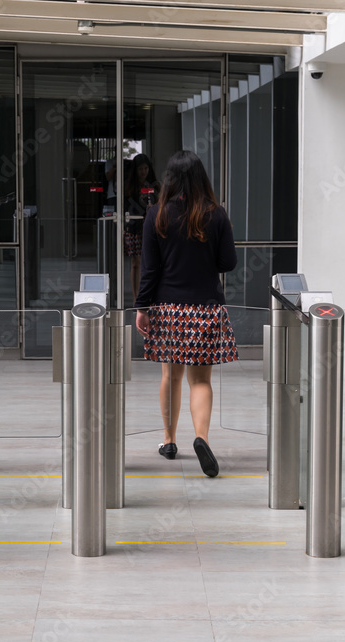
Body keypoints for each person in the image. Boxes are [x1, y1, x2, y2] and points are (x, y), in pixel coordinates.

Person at [134, 150, 238, 478]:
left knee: (171, 376)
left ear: (170, 180)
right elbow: (228, 263)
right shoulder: (216, 215)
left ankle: (168, 440)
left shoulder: (157, 214)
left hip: (168, 309)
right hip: (205, 308)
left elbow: (150, 269)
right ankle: (201, 438)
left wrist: (142, 308)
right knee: (201, 380)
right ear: (201, 178)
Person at [124, 153, 158, 300]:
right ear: (135, 170)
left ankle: (147, 295)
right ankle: (136, 297)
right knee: (135, 263)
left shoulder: (153, 186)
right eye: (140, 169)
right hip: (133, 227)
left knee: (149, 262)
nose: (143, 172)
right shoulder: (129, 187)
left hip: (149, 227)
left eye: (146, 168)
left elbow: (161, 204)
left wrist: (154, 207)